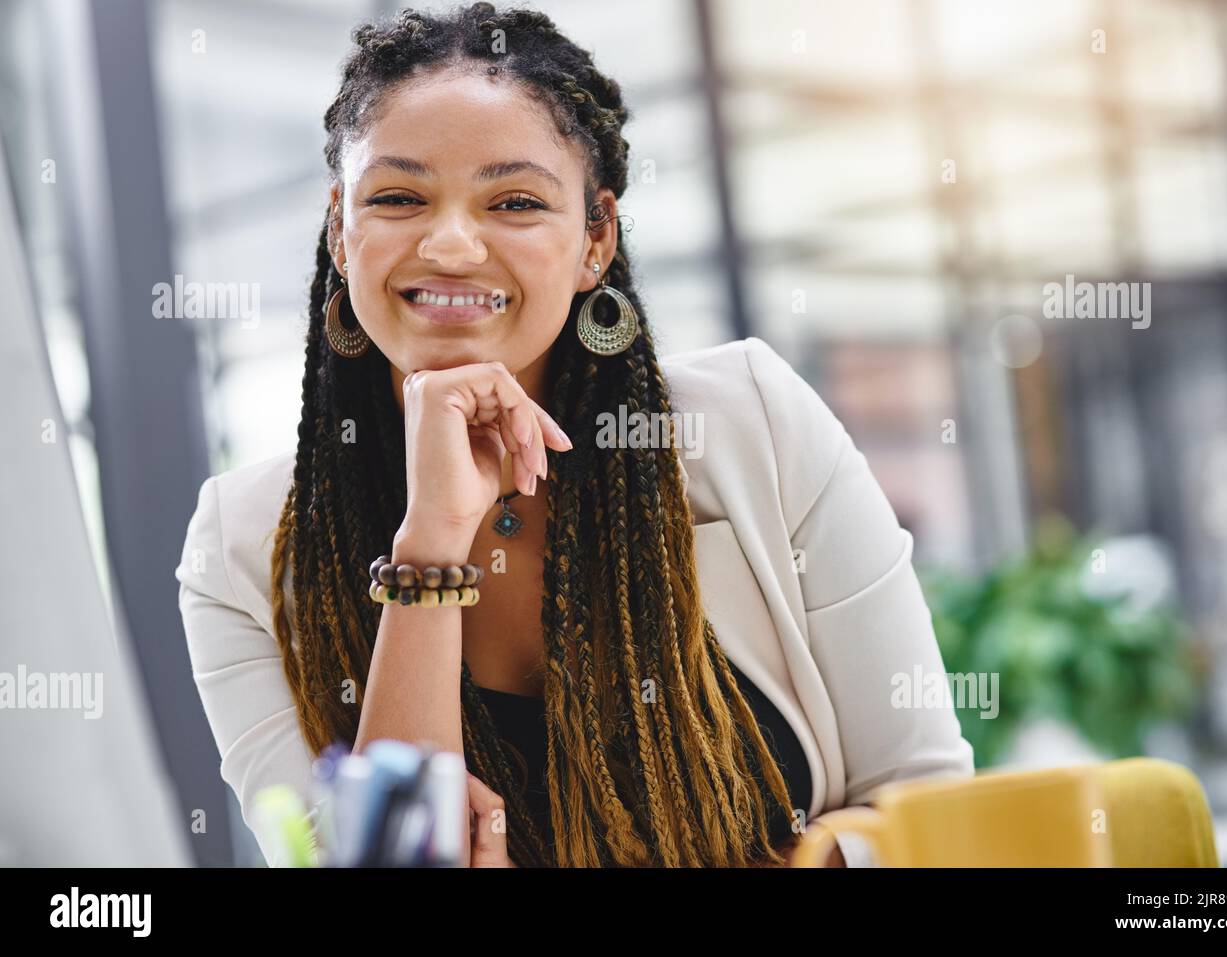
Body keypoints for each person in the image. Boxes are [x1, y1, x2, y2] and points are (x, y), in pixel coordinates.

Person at [175, 2, 973, 868]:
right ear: (341, 228)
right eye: (399, 197)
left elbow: (928, 801)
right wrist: (429, 544)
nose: (449, 244)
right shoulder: (243, 550)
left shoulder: (755, 425)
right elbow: (375, 864)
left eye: (513, 200)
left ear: (596, 236)